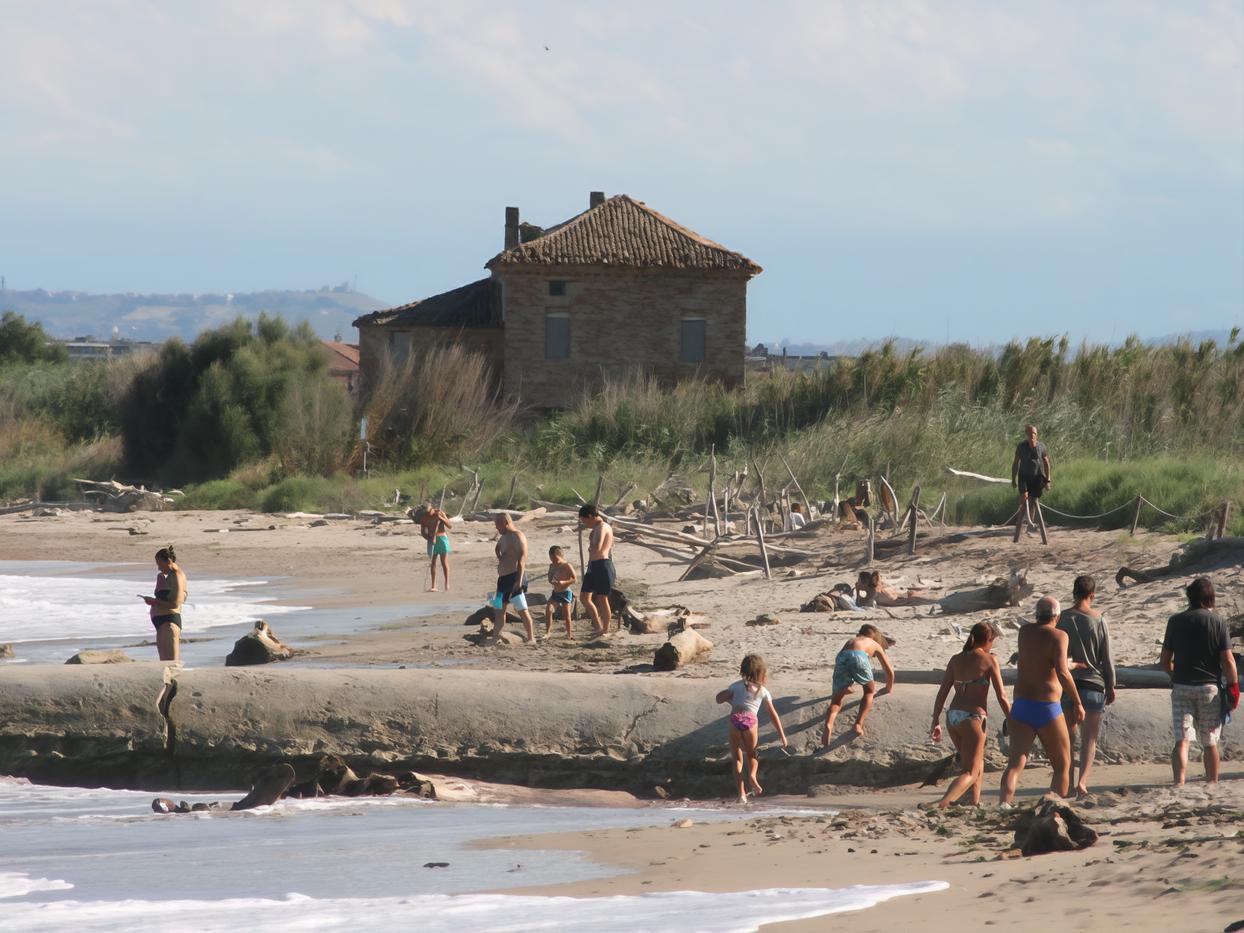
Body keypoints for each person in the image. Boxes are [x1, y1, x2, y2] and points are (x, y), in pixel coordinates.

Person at [999, 596, 1084, 806]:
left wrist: (1069, 665)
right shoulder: (1060, 635)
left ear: (1037, 614)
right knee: (1063, 766)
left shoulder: (1024, 632)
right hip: (1047, 708)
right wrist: (1077, 701)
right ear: (1057, 616)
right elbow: (1062, 672)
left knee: (1015, 764)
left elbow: (1041, 660)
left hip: (1021, 705)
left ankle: (1004, 805)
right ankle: (1054, 808)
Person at [1160, 577, 1239, 785]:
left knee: (1181, 739)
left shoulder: (1175, 621)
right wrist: (1234, 687)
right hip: (1209, 688)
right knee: (1210, 741)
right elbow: (1228, 660)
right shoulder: (1218, 622)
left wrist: (1174, 675)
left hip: (1182, 686)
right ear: (1210, 598)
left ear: (1189, 597)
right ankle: (1212, 782)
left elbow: (1165, 660)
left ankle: (1179, 782)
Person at [930, 622, 1011, 808]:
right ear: (988, 640)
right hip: (972, 717)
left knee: (976, 762)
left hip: (952, 717)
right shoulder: (990, 660)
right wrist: (1012, 719)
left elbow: (942, 692)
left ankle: (974, 802)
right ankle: (942, 804)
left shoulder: (955, 659)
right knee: (970, 771)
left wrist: (935, 720)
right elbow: (1002, 696)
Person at [1056, 575, 1116, 796]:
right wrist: (1111, 685)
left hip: (1068, 684)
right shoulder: (1099, 620)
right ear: (1092, 595)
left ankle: (1068, 783)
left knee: (1068, 739)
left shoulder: (1062, 619)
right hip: (1094, 684)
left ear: (1074, 592)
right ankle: (1082, 782)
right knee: (1089, 739)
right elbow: (1106, 657)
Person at [715, 654, 788, 803]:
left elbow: (719, 699)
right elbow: (773, 714)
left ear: (742, 670)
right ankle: (753, 775)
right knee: (752, 754)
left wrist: (727, 696)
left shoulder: (735, 686)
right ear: (762, 673)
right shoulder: (763, 691)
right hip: (751, 722)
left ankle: (741, 794)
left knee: (736, 757)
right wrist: (782, 735)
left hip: (735, 720)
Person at [820, 624, 895, 743]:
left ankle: (828, 724)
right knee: (869, 691)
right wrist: (888, 687)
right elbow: (888, 669)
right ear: (875, 637)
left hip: (841, 657)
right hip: (859, 657)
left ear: (859, 634)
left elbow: (847, 659)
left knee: (836, 701)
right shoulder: (874, 644)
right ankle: (858, 725)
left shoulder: (851, 640)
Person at [492, 513, 535, 643]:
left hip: (514, 577)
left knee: (521, 608)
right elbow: (497, 548)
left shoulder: (518, 535)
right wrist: (501, 559)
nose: (497, 529)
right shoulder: (503, 537)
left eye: (498, 525)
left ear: (505, 522)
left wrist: (519, 580)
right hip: (502, 580)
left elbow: (522, 559)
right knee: (498, 608)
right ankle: (496, 636)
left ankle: (531, 637)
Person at [141, 545, 187, 662]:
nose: (158, 568)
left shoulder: (177, 575)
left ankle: (174, 681)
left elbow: (176, 604)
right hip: (161, 622)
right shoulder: (164, 576)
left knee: (172, 663)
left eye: (159, 563)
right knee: (164, 663)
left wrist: (155, 601)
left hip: (169, 623)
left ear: (169, 561)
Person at [578, 503, 616, 636]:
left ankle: (605, 629)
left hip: (602, 565)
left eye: (584, 520)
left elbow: (598, 547)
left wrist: (591, 546)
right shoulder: (596, 528)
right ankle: (598, 624)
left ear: (589, 516)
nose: (584, 524)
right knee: (584, 597)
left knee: (602, 598)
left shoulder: (602, 527)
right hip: (593, 565)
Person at [1011, 424, 1051, 542]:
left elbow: (1046, 463)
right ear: (1026, 435)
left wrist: (1048, 480)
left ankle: (1030, 524)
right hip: (1023, 477)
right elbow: (1015, 463)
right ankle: (1024, 520)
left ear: (1036, 435)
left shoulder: (1041, 447)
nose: (1032, 436)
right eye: (1029, 434)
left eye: (1034, 434)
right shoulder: (1021, 447)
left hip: (1036, 477)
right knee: (1024, 498)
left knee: (1034, 501)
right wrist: (1013, 479)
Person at [413, 503, 453, 592]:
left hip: (442, 539)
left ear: (432, 508)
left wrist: (441, 518)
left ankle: (447, 583)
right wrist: (430, 538)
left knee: (444, 562)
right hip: (431, 539)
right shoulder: (424, 518)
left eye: (430, 511)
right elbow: (423, 532)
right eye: (427, 512)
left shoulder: (440, 513)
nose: (429, 514)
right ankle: (433, 585)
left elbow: (450, 526)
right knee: (433, 562)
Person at [543, 545, 577, 638]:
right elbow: (549, 579)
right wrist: (552, 580)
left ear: (560, 556)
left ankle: (569, 634)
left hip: (566, 592)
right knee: (549, 609)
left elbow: (574, 579)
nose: (553, 561)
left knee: (566, 616)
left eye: (555, 558)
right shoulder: (552, 565)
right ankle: (548, 632)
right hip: (556, 592)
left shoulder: (567, 565)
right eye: (551, 558)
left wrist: (564, 582)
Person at [854, 570, 936, 608]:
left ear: (863, 581)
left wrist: (858, 591)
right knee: (929, 599)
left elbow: (862, 603)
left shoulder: (872, 590)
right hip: (899, 595)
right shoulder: (873, 587)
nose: (858, 581)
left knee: (930, 601)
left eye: (859, 580)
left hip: (899, 599)